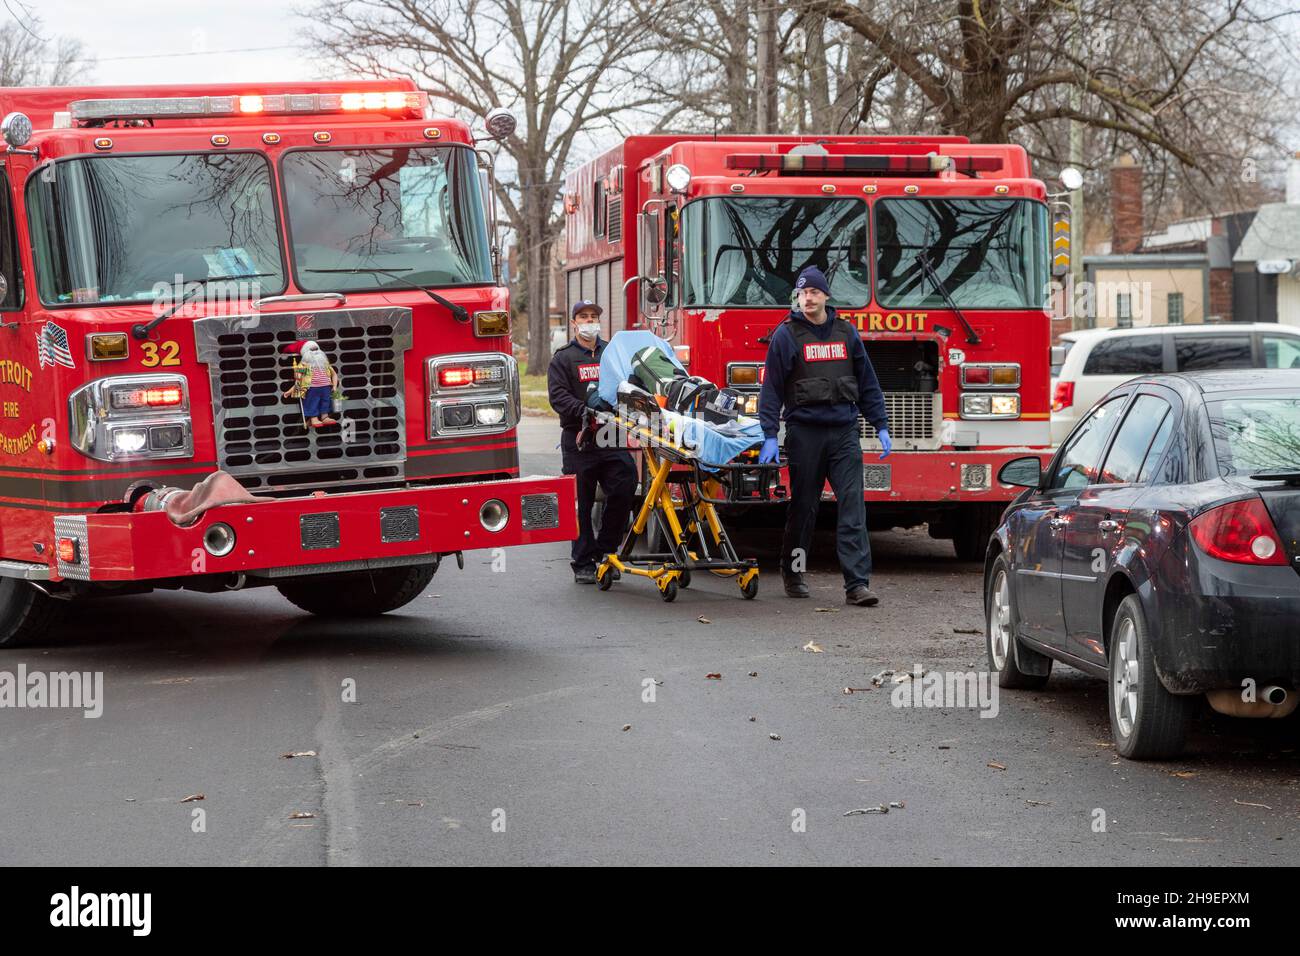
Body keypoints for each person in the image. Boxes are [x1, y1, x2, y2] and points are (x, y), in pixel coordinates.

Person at [758, 266, 891, 606]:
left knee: (852, 506)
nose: (808, 298)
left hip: (844, 432)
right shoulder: (786, 335)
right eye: (803, 293)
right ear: (797, 298)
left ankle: (856, 584)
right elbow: (771, 388)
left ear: (825, 296)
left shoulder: (847, 333)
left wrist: (881, 424)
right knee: (804, 508)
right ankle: (795, 571)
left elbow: (867, 381)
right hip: (805, 434)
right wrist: (770, 433)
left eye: (814, 292)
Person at [547, 301, 638, 584]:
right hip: (579, 437)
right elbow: (558, 397)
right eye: (584, 317)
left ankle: (607, 552)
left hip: (611, 434)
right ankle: (584, 562)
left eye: (594, 316)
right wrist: (585, 411)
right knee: (581, 503)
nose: (589, 321)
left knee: (625, 486)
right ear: (574, 322)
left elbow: (629, 384)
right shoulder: (563, 358)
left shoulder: (613, 353)